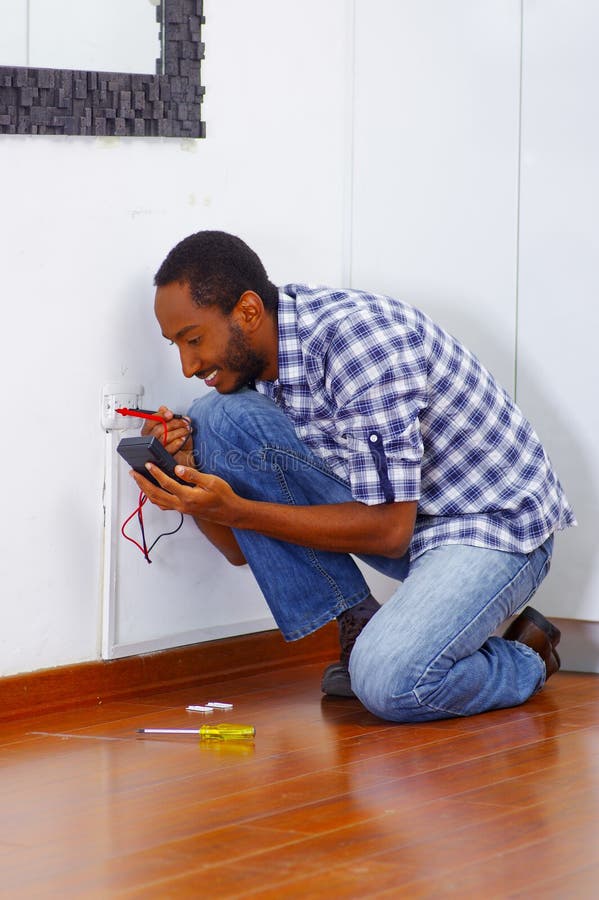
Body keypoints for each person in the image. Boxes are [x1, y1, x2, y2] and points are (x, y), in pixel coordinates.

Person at [133, 230, 575, 723]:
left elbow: (388, 533)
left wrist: (236, 509)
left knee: (387, 684)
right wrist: (190, 484)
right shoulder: (261, 366)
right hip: (408, 523)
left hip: (493, 529)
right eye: (176, 345)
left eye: (194, 340)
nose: (188, 364)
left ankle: (525, 656)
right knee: (216, 417)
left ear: (249, 312)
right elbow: (241, 548)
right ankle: (361, 623)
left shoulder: (362, 347)